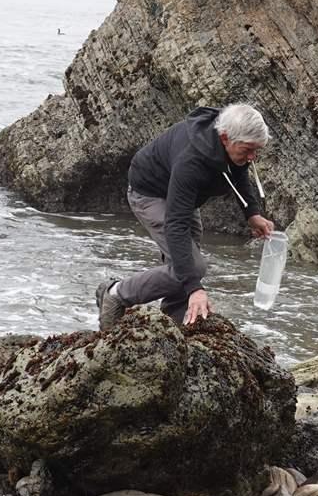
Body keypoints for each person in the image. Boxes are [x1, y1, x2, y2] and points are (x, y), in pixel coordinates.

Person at [96, 103, 274, 330]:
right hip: (150, 194)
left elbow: (238, 171)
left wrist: (252, 214)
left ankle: (177, 317)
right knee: (192, 266)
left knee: (183, 261)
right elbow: (175, 224)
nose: (252, 157)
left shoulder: (231, 140)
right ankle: (116, 293)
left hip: (183, 196)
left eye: (256, 150)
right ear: (225, 138)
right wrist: (195, 288)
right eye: (248, 149)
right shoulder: (191, 160)